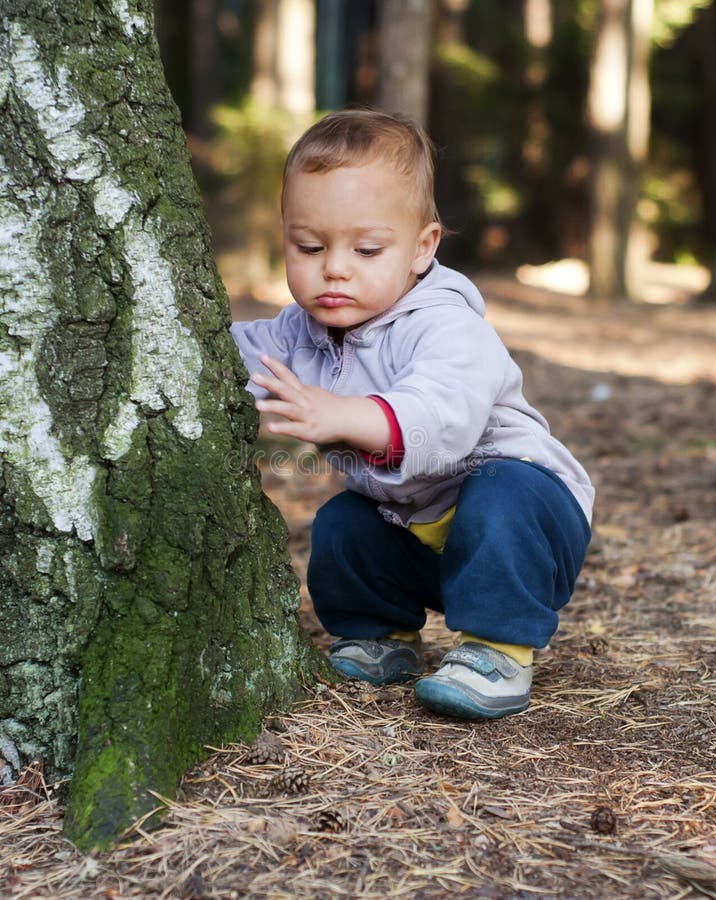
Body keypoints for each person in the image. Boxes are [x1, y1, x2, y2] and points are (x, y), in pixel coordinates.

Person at [230, 108, 594, 720]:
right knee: (344, 522)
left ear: (423, 248)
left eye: (367, 248)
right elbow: (226, 355)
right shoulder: (302, 331)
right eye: (309, 246)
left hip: (528, 519)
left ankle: (499, 649)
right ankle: (380, 636)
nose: (334, 267)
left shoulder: (446, 325)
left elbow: (442, 421)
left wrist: (343, 415)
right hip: (417, 530)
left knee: (502, 491)